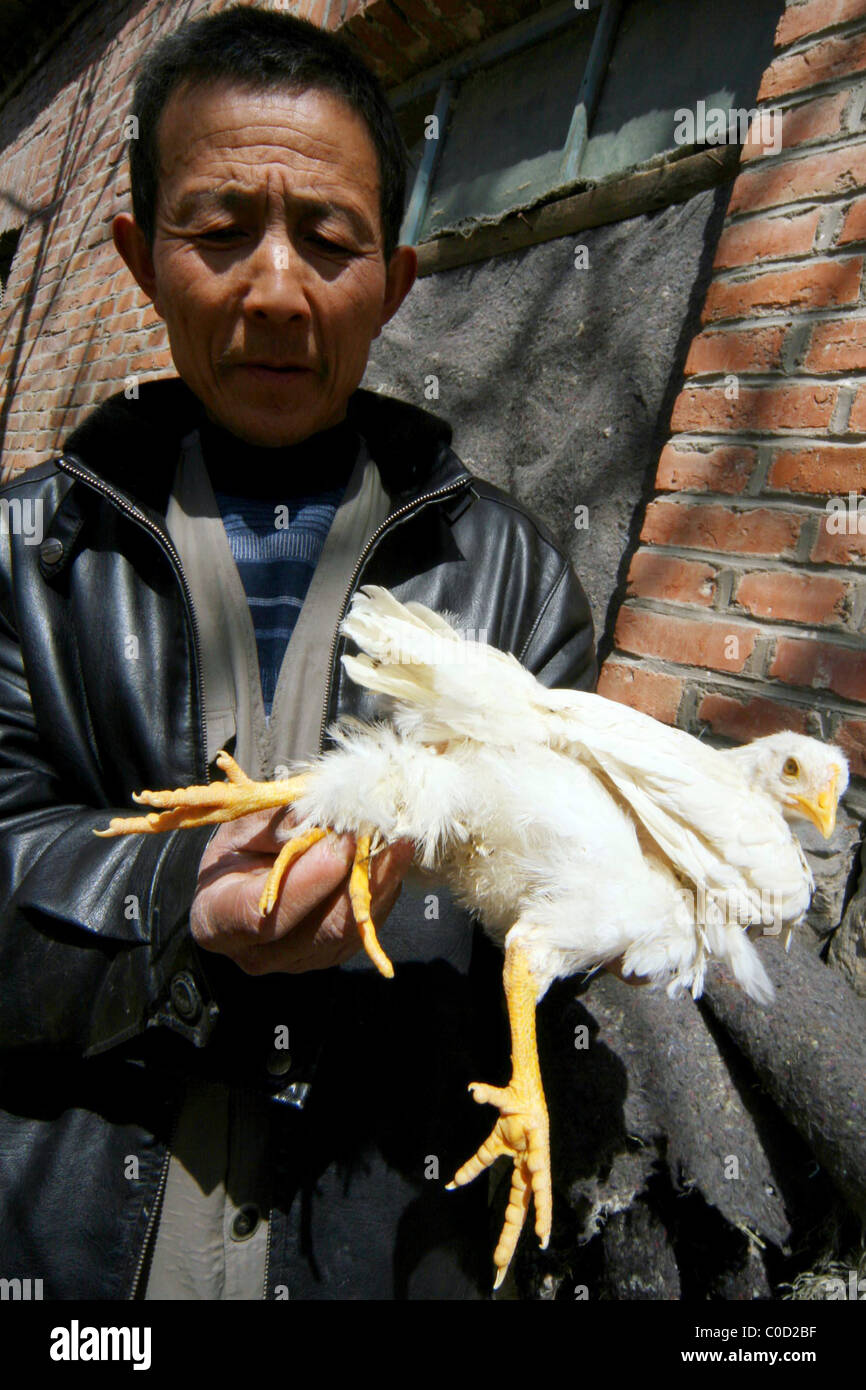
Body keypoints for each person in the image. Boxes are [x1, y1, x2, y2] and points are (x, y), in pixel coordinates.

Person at [0, 7, 596, 1300]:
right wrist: (170, 904)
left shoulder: (516, 577)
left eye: (328, 240)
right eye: (218, 233)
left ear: (392, 279)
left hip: (388, 1241)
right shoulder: (21, 556)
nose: (275, 287)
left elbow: (547, 917)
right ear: (137, 258)